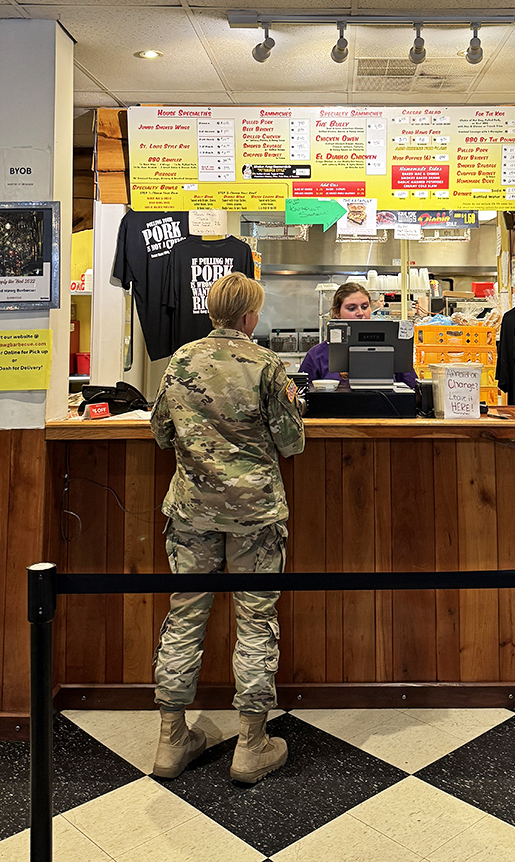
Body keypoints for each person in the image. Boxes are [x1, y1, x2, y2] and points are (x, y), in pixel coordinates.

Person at [150, 272, 305, 784]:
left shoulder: (181, 360)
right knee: (255, 619)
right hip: (254, 514)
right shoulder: (265, 364)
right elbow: (292, 442)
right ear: (249, 315)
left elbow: (160, 432)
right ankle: (251, 744)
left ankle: (171, 740)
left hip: (192, 510)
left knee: (184, 616)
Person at [299, 281, 417, 387]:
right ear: (337, 313)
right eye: (352, 308)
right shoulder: (317, 355)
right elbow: (300, 394)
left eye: (365, 307)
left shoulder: (392, 348)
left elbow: (413, 390)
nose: (360, 313)